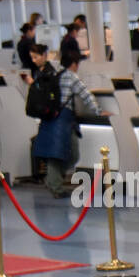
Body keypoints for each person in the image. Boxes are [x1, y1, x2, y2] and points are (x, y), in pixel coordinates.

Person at [31, 49, 106, 199]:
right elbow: (86, 95)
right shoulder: (71, 77)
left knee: (56, 154)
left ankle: (53, 181)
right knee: (68, 154)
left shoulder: (54, 74)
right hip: (63, 119)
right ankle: (55, 185)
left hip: (50, 118)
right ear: (74, 64)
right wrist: (98, 111)